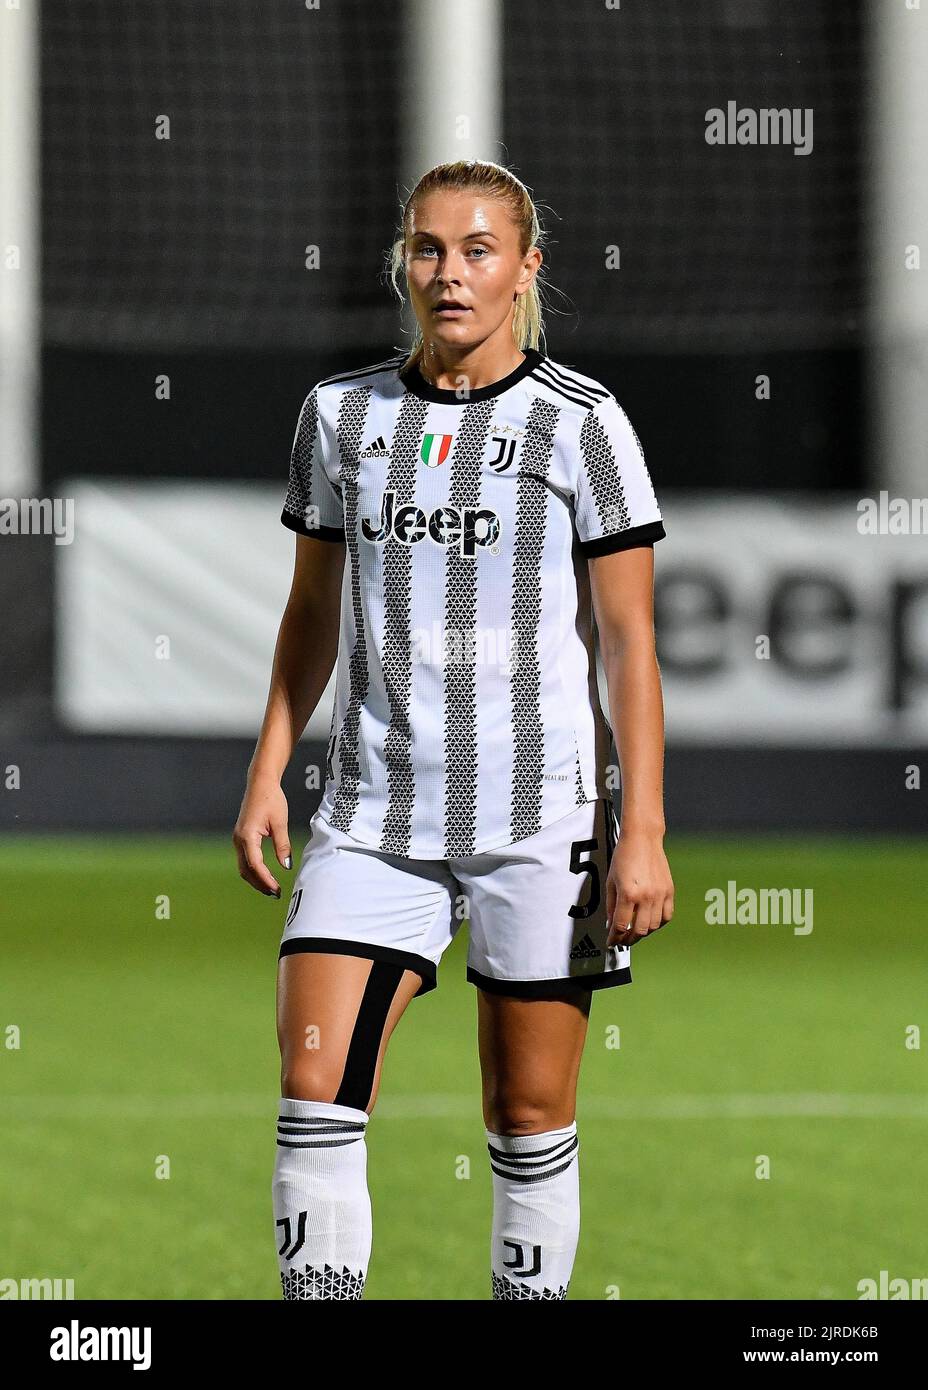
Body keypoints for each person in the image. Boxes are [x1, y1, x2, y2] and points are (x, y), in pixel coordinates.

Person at [232, 158, 674, 1300]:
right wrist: (270, 769)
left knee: (527, 1115)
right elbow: (310, 612)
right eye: (428, 248)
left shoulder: (582, 423)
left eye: (479, 249)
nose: (450, 272)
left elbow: (629, 641)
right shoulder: (340, 415)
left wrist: (645, 831)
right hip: (372, 818)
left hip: (543, 816)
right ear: (401, 264)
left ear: (527, 268)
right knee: (312, 1095)